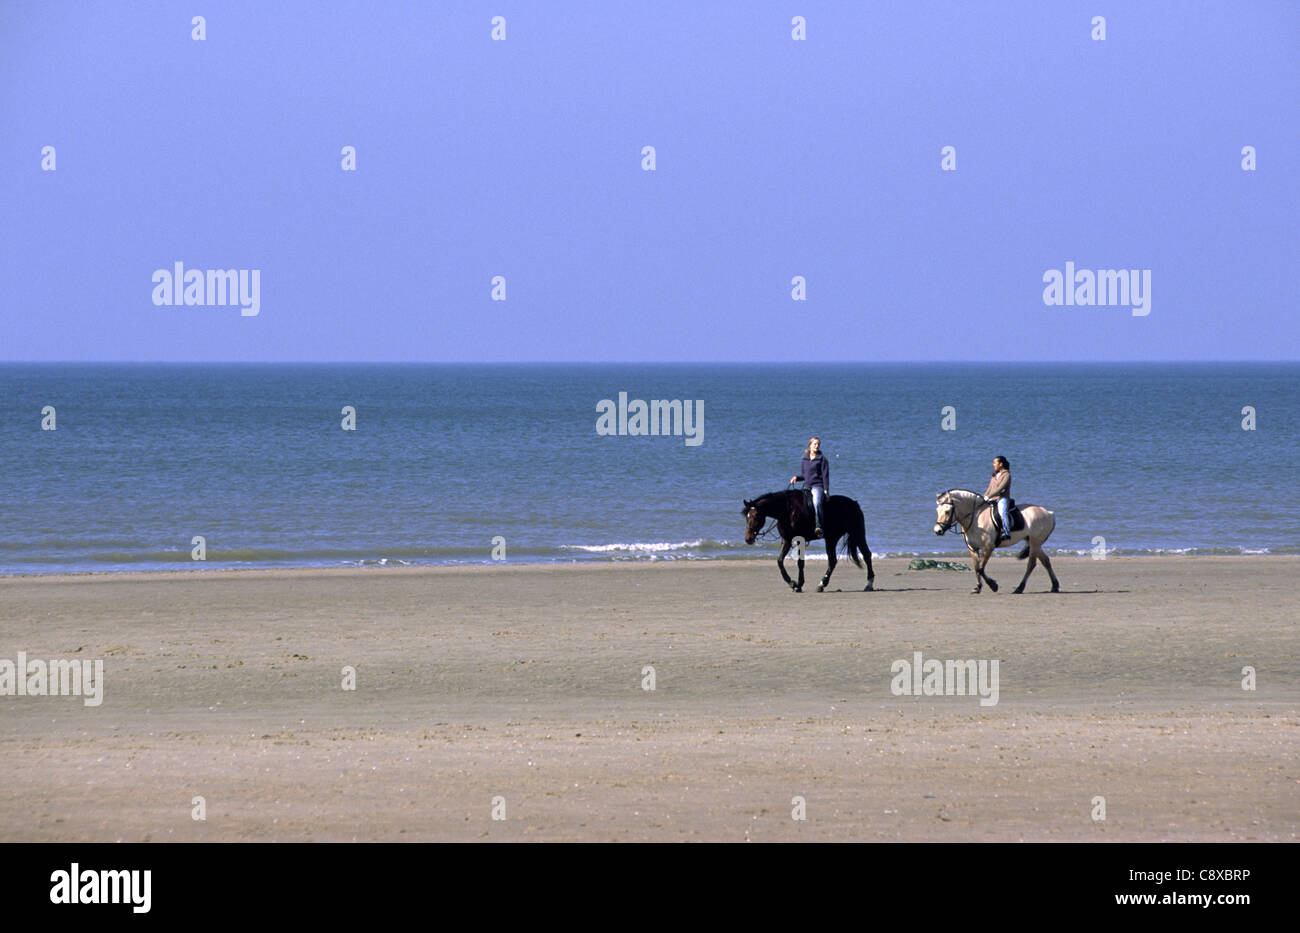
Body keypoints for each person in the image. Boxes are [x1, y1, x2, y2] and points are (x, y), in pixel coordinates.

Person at [790, 436, 830, 537]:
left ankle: (819, 526)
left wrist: (826, 491)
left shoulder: (822, 459)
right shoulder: (804, 459)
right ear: (810, 445)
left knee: (817, 503)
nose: (817, 446)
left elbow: (825, 476)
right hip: (806, 486)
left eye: (818, 444)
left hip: (818, 486)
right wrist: (796, 478)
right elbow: (804, 475)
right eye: (815, 444)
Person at [985, 456, 1012, 542]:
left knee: (1002, 512)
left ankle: (1007, 532)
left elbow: (1001, 488)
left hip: (1002, 498)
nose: (993, 465)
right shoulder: (994, 475)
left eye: (994, 463)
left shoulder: (1007, 475)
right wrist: (984, 496)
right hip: (992, 498)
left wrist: (989, 496)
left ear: (1001, 464)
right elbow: (990, 488)